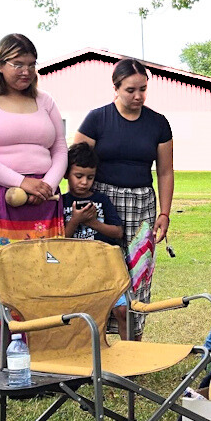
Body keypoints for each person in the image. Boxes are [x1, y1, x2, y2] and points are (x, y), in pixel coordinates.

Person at [0, 34, 67, 367]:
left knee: (41, 276)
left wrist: (46, 185)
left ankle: (42, 358)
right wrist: (21, 182)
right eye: (17, 64)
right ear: (0, 64)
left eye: (31, 64)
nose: (25, 71)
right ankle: (1, 361)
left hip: (42, 204)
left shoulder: (45, 100)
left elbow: (60, 148)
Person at [72, 58, 173, 339]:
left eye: (143, 89)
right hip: (102, 205)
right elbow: (76, 162)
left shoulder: (158, 123)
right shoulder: (97, 119)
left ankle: (134, 345)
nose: (138, 96)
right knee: (100, 273)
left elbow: (165, 172)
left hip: (142, 205)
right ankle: (96, 344)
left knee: (138, 274)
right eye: (130, 90)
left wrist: (164, 214)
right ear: (115, 88)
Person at [62, 142, 128, 336]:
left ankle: (129, 354)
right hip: (75, 271)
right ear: (66, 174)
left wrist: (93, 223)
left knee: (123, 311)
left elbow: (117, 233)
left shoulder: (102, 200)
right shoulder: (60, 202)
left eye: (90, 177)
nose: (84, 182)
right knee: (84, 317)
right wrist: (75, 220)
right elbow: (59, 240)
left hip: (105, 267)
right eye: (78, 176)